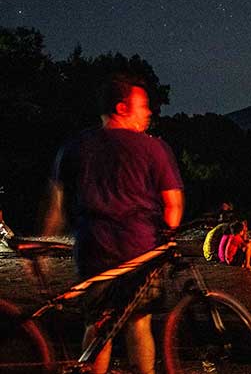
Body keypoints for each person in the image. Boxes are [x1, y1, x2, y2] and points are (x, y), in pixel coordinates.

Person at [44, 73, 184, 374]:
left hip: (93, 249)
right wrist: (168, 232)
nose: (149, 113)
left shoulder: (76, 146)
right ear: (122, 108)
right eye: (143, 106)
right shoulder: (153, 149)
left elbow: (55, 203)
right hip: (140, 251)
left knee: (97, 328)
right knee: (139, 323)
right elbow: (173, 206)